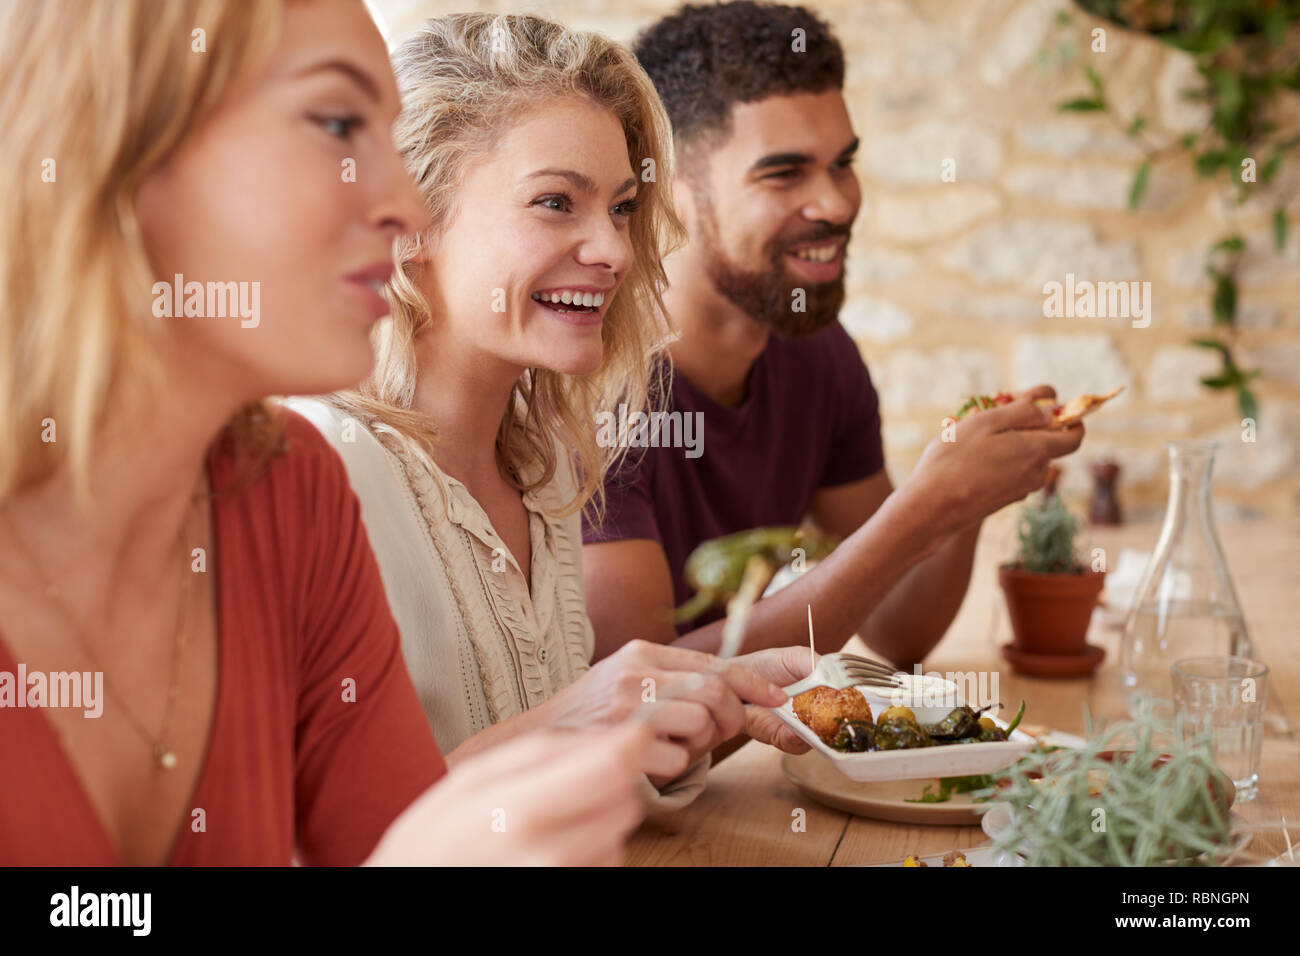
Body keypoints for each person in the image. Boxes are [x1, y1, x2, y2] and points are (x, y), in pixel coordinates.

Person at [0, 0, 681, 867]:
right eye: (334, 123)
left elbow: (391, 839)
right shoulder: (341, 464)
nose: (401, 203)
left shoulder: (291, 491)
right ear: (123, 144)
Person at [292, 12, 814, 811]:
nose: (613, 250)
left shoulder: (545, 473)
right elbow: (301, 837)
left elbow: (535, 799)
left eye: (622, 208)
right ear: (410, 219)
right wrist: (570, 722)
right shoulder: (321, 466)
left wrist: (667, 722)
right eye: (554, 202)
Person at [581, 1, 1085, 671]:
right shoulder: (590, 389)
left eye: (842, 163)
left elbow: (898, 632)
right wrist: (919, 512)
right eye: (785, 173)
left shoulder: (816, 354)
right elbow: (636, 701)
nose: (838, 203)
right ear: (666, 193)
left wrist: (962, 505)